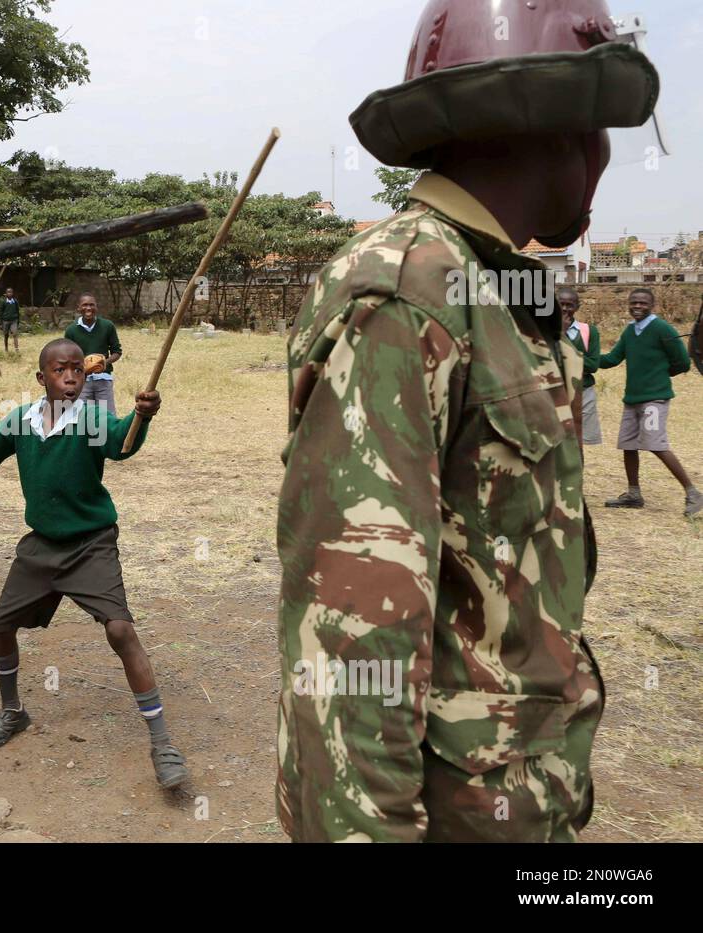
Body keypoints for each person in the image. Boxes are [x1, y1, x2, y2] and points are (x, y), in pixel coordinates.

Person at [276, 0, 661, 841]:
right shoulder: (403, 291)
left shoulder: (489, 284)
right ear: (564, 132)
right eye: (599, 129)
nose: (603, 157)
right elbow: (354, 637)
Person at [0, 338, 188, 789]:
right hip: (40, 548)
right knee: (0, 624)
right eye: (59, 370)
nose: (69, 376)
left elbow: (122, 443)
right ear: (41, 378)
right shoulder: (20, 423)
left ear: (85, 376)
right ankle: (13, 712)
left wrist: (142, 417)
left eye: (76, 370)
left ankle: (163, 742)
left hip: (91, 545)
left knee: (120, 629)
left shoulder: (92, 420)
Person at [599, 288, 700, 515]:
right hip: (632, 399)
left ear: (652, 305)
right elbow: (612, 359)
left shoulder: (661, 328)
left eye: (643, 303)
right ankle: (634, 494)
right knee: (628, 445)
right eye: (633, 302)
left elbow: (683, 362)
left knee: (655, 444)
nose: (637, 306)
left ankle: (693, 492)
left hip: (654, 399)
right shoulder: (629, 331)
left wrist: (659, 377)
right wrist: (582, 356)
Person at [63, 294, 122, 414]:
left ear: (96, 307)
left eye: (91, 305)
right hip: (81, 382)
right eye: (85, 305)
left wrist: (104, 362)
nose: (88, 308)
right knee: (80, 417)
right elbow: (67, 357)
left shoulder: (107, 326)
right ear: (78, 308)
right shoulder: (71, 330)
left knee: (107, 418)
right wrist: (82, 368)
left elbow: (117, 351)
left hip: (103, 379)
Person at [560, 287, 602, 446]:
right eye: (561, 304)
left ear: (577, 307)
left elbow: (592, 365)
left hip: (583, 391)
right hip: (557, 392)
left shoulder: (588, 331)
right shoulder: (547, 330)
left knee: (579, 440)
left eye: (569, 305)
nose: (564, 309)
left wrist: (563, 347)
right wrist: (560, 333)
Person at [0, 287, 21, 353]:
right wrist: (0, 323)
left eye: (11, 292)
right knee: (6, 335)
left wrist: (18, 321)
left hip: (14, 320)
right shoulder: (3, 302)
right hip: (5, 321)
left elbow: (17, 311)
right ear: (6, 294)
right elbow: (0, 312)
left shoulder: (15, 301)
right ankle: (6, 348)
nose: (9, 293)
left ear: (12, 293)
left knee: (15, 334)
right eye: (8, 292)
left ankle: (16, 349)